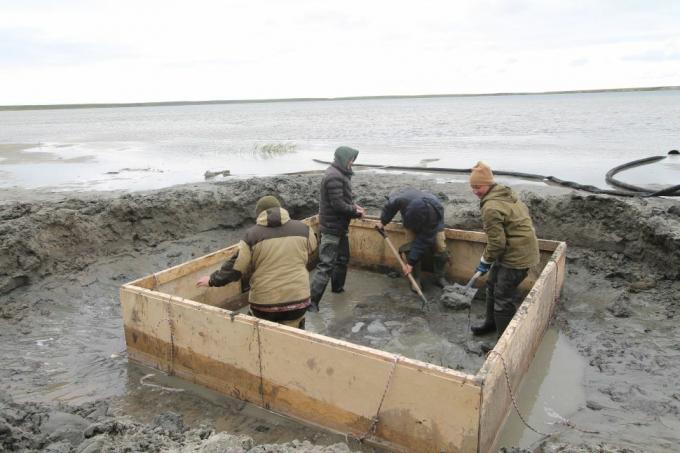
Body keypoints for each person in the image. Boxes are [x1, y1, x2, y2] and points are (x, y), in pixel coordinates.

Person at [196, 195, 317, 330]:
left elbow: (236, 268)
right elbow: (313, 247)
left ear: (259, 214)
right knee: (295, 331)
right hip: (298, 301)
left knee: (260, 334)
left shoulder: (252, 235)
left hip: (265, 306)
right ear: (281, 209)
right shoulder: (304, 229)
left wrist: (212, 280)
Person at [468, 161, 540, 347]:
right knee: (492, 286)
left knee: (503, 296)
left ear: (489, 184)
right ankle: (490, 324)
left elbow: (497, 243)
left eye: (478, 187)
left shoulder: (491, 207)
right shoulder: (503, 192)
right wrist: (490, 260)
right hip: (514, 248)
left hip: (517, 256)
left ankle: (503, 343)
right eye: (472, 187)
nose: (475, 191)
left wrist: (485, 261)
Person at [309, 146, 365, 312]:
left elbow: (343, 200)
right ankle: (311, 303)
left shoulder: (340, 174)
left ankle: (337, 288)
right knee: (326, 265)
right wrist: (356, 212)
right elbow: (338, 205)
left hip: (339, 227)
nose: (352, 163)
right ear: (343, 159)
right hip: (331, 228)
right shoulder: (334, 176)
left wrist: (355, 206)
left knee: (342, 259)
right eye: (351, 160)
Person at [378, 188, 450, 289]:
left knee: (440, 246)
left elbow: (423, 240)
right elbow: (390, 207)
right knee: (410, 246)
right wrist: (383, 222)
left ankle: (440, 277)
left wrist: (410, 263)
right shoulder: (400, 200)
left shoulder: (434, 215)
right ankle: (416, 278)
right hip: (413, 215)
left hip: (432, 219)